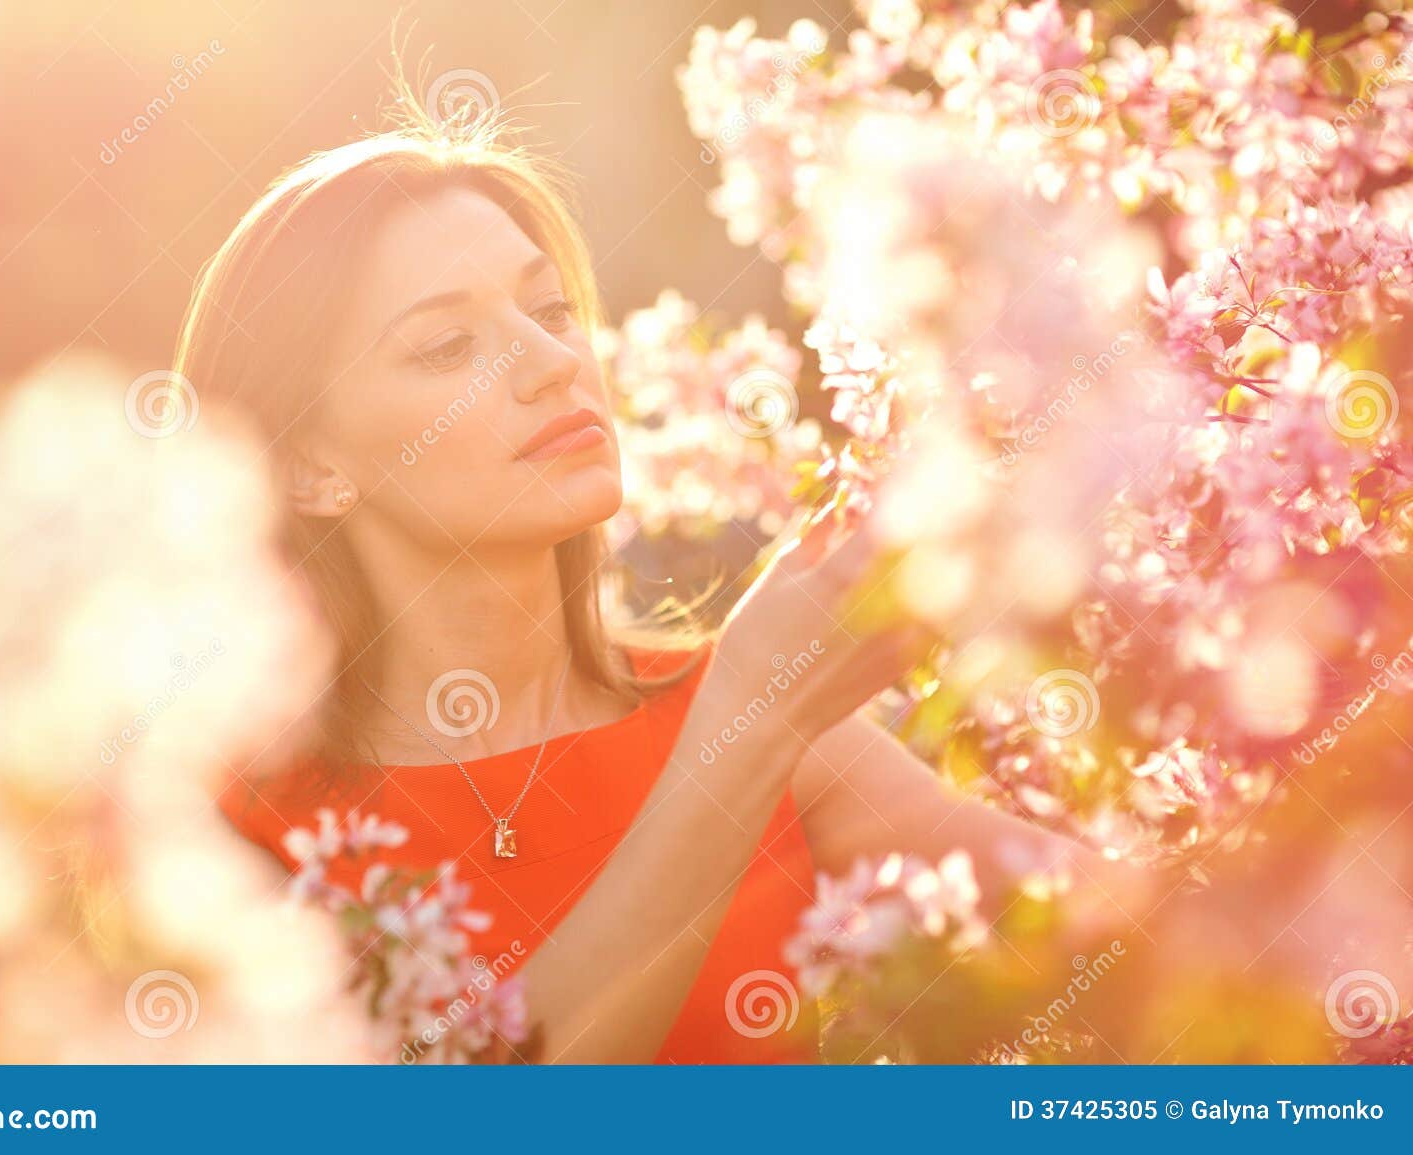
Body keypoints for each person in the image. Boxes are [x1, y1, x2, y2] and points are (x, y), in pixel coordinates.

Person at [180, 96, 1154, 1063]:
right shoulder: (230, 833)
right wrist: (748, 729)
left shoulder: (764, 725)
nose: (552, 361)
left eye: (551, 307)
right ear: (308, 465)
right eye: (447, 346)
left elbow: (1158, 951)